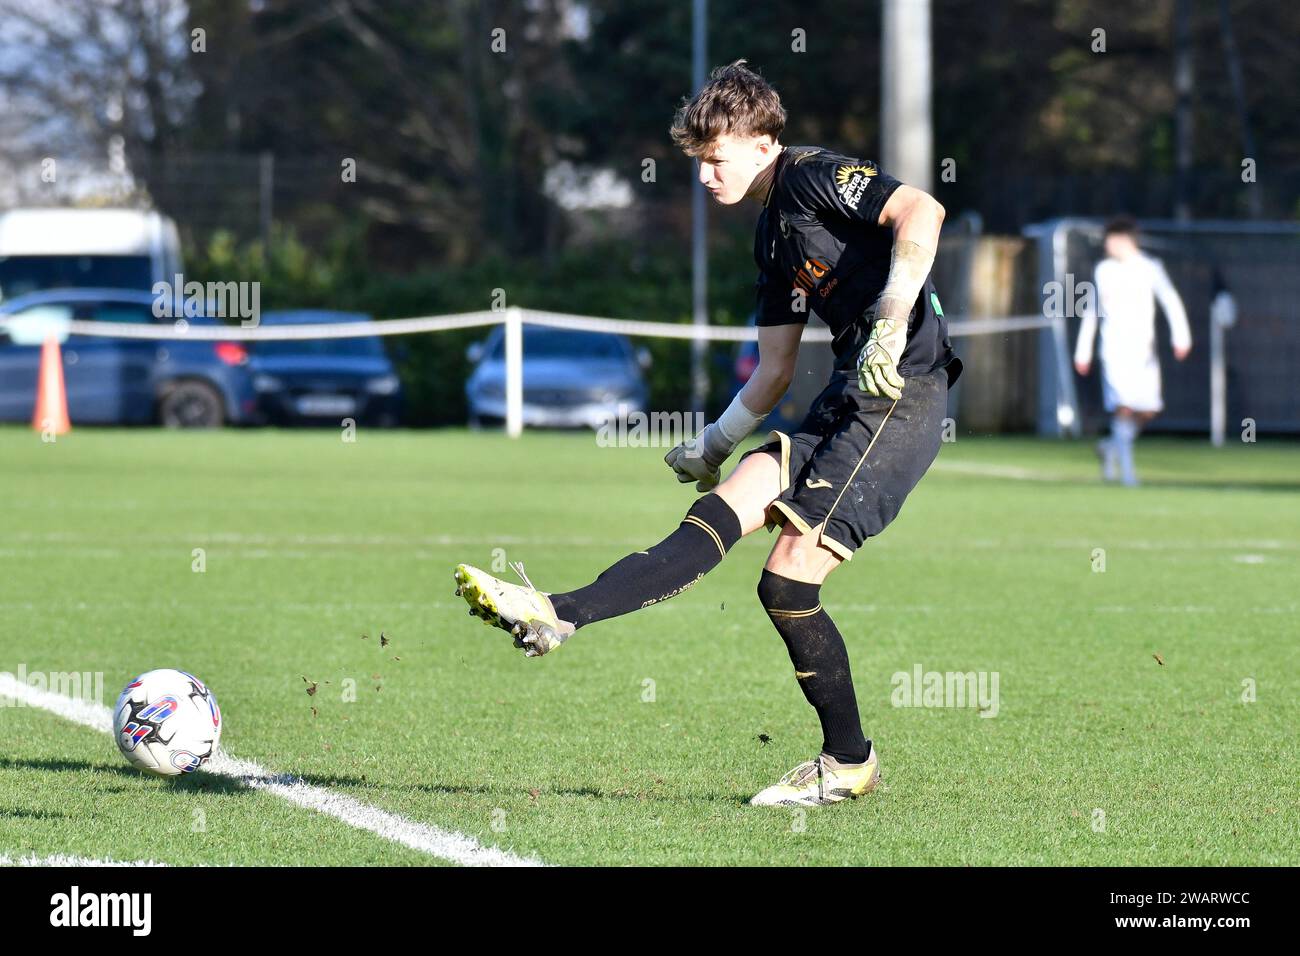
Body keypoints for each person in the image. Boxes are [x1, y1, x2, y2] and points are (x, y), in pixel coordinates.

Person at [453, 60, 962, 807]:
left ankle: (849, 762)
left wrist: (887, 321)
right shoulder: (772, 242)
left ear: (764, 144)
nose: (704, 176)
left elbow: (923, 210)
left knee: (788, 578)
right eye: (697, 162)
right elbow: (776, 371)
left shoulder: (809, 175)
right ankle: (559, 613)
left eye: (716, 160)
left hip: (901, 395)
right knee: (722, 505)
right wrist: (714, 443)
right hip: (849, 395)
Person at [1074, 217, 1192, 485]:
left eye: (1111, 239)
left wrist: (1181, 337)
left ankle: (1109, 448)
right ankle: (1127, 473)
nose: (1107, 245)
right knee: (1123, 408)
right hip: (1114, 351)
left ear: (1126, 241)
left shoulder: (1150, 268)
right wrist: (1083, 351)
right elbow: (1093, 311)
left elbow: (1170, 300)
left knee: (1147, 410)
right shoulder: (1104, 270)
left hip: (1144, 353)